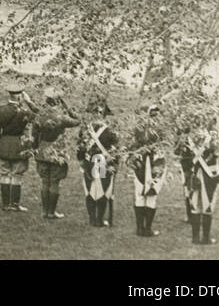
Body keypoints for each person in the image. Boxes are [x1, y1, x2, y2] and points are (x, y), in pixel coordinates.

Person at [28, 87, 79, 219]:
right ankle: (51, 212)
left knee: (45, 181)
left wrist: (35, 149)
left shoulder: (40, 116)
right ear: (58, 101)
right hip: (58, 151)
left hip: (43, 150)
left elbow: (34, 135)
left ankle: (45, 211)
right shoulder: (61, 117)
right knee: (55, 182)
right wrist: (67, 108)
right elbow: (77, 121)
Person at [0, 84, 39, 213]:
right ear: (20, 96)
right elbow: (39, 115)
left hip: (4, 143)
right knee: (17, 175)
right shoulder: (25, 112)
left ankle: (6, 204)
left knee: (5, 174)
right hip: (20, 144)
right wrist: (29, 102)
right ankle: (15, 204)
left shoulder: (0, 110)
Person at [179, 126, 219, 246]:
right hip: (203, 179)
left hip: (199, 178)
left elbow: (185, 164)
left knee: (199, 207)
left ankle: (200, 238)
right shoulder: (204, 147)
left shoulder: (208, 147)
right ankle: (203, 238)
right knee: (203, 207)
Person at [78, 99, 119, 227]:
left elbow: (80, 147)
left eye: (98, 113)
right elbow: (114, 149)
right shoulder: (108, 131)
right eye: (96, 113)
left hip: (93, 160)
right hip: (97, 161)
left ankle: (95, 219)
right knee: (96, 189)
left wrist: (80, 160)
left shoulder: (87, 129)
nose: (97, 115)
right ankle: (96, 219)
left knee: (96, 189)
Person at [129, 104, 166, 237]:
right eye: (154, 114)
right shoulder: (159, 130)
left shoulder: (137, 129)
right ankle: (147, 229)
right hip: (153, 163)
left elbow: (132, 146)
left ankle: (140, 229)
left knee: (140, 195)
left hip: (139, 162)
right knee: (151, 195)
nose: (156, 117)